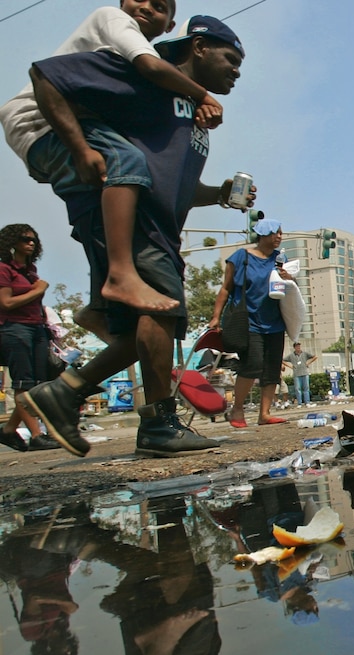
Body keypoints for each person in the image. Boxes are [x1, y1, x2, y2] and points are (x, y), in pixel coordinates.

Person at [18, 15, 246, 458]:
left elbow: (176, 185)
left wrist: (217, 194)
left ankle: (65, 393)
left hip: (158, 224)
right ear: (198, 46)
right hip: (135, 221)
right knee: (162, 314)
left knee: (143, 328)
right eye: (231, 58)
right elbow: (50, 76)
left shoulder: (196, 119)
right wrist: (81, 152)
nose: (236, 70)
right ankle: (156, 424)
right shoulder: (145, 74)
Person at [0, 2, 224, 315]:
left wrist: (218, 194)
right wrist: (203, 95)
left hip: (53, 131)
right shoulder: (115, 20)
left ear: (170, 26)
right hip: (37, 120)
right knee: (127, 160)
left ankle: (95, 311)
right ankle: (121, 275)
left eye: (158, 6)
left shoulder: (131, 63)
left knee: (100, 208)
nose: (145, 7)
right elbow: (152, 66)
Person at [210, 219, 292, 427]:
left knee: (272, 368)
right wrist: (216, 317)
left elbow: (290, 288)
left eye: (281, 233)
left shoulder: (280, 258)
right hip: (249, 321)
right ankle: (237, 410)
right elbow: (226, 288)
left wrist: (288, 277)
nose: (279, 237)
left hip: (275, 322)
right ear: (263, 234)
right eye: (276, 233)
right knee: (252, 364)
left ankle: (264, 414)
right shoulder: (241, 257)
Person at [0, 224, 60, 452]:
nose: (31, 243)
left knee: (38, 386)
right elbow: (5, 303)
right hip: (14, 330)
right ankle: (37, 435)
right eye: (25, 239)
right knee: (23, 384)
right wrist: (37, 291)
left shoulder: (30, 270)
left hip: (37, 329)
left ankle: (8, 430)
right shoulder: (4, 269)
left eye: (33, 239)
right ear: (11, 242)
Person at [282, 342, 317, 407]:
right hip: (296, 374)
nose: (298, 348)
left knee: (306, 388)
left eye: (299, 346)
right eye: (297, 347)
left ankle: (307, 402)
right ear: (294, 347)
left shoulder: (305, 353)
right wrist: (290, 366)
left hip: (305, 372)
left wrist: (308, 363)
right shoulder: (291, 355)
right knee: (298, 389)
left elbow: (314, 357)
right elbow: (283, 360)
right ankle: (299, 403)